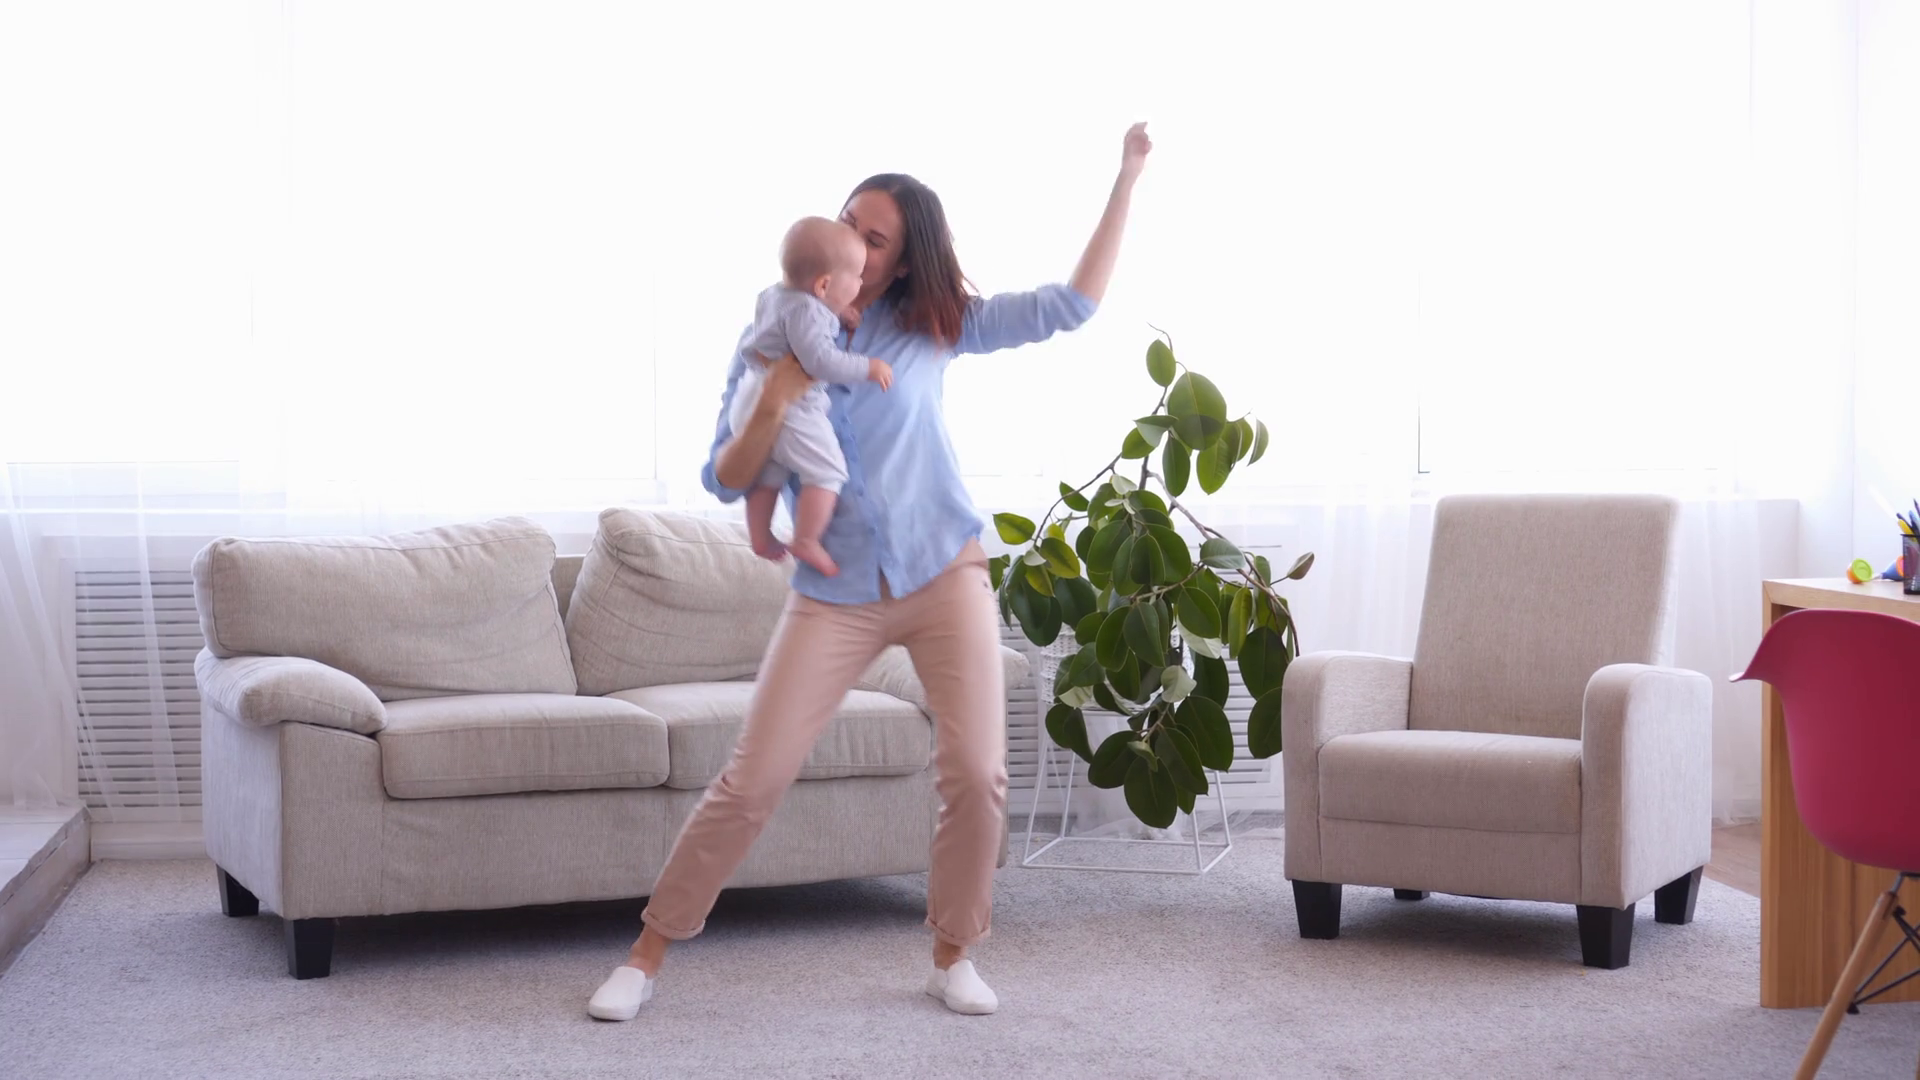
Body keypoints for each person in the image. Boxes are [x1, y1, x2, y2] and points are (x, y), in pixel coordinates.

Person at [588, 122, 1153, 1022]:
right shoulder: (775, 332)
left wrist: (1125, 179)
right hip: (834, 597)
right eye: (847, 220)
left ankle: (953, 952)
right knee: (754, 779)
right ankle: (645, 957)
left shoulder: (936, 326)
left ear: (897, 260)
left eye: (874, 233)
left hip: (945, 575)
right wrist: (775, 398)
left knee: (976, 772)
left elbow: (1073, 304)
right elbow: (723, 477)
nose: (853, 238)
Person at [733, 216, 895, 576]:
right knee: (829, 470)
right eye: (857, 277)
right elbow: (820, 360)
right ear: (823, 285)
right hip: (789, 404)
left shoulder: (776, 295)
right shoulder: (808, 311)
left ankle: (760, 536)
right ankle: (807, 539)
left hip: (751, 394)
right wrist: (869, 367)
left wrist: (836, 311)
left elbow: (797, 323)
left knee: (772, 470)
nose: (860, 283)